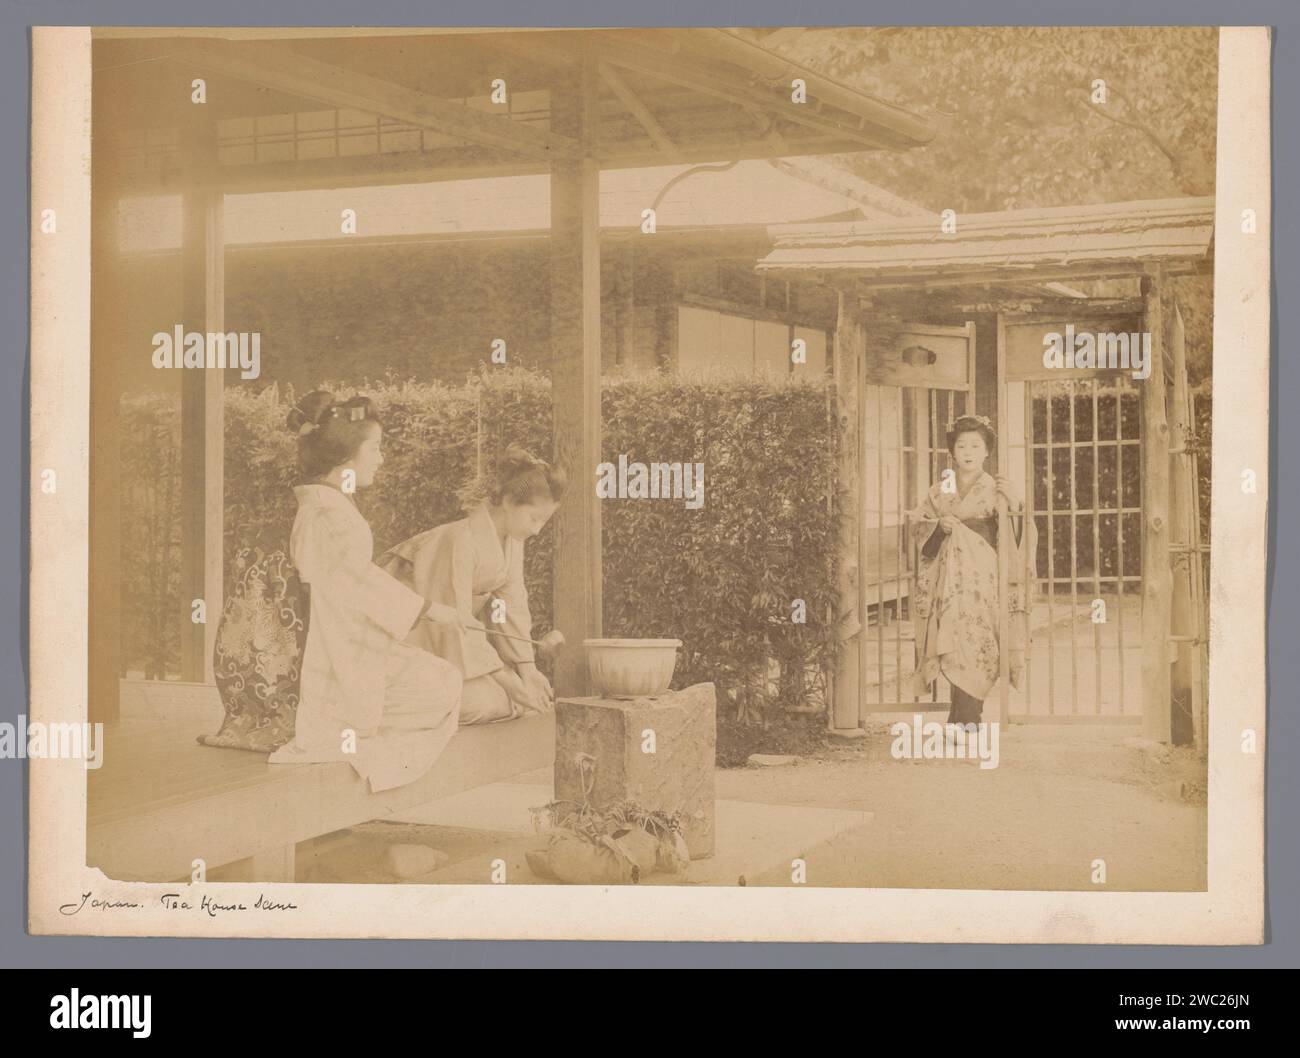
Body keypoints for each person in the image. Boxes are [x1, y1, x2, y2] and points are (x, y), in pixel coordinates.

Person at [267, 391, 464, 792]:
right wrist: (428, 608)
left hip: (348, 634)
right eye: (375, 448)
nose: (381, 458)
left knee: (443, 680)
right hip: (336, 645)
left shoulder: (328, 507)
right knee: (440, 686)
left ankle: (360, 732)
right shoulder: (326, 513)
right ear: (347, 455)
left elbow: (356, 576)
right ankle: (354, 736)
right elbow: (357, 582)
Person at [379, 447, 566, 724]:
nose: (537, 530)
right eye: (534, 518)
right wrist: (512, 684)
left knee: (516, 694)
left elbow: (510, 607)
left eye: (544, 521)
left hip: (452, 642)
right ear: (509, 500)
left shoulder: (513, 541)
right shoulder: (460, 540)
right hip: (411, 636)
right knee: (484, 701)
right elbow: (454, 621)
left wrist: (527, 670)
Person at [909, 414, 1034, 727]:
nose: (968, 451)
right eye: (961, 445)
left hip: (984, 579)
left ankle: (967, 717)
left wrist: (1016, 504)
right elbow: (918, 529)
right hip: (947, 579)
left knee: (978, 641)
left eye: (975, 445)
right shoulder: (938, 492)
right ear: (952, 451)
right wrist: (939, 526)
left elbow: (1020, 539)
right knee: (951, 639)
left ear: (986, 451)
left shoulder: (997, 490)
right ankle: (962, 718)